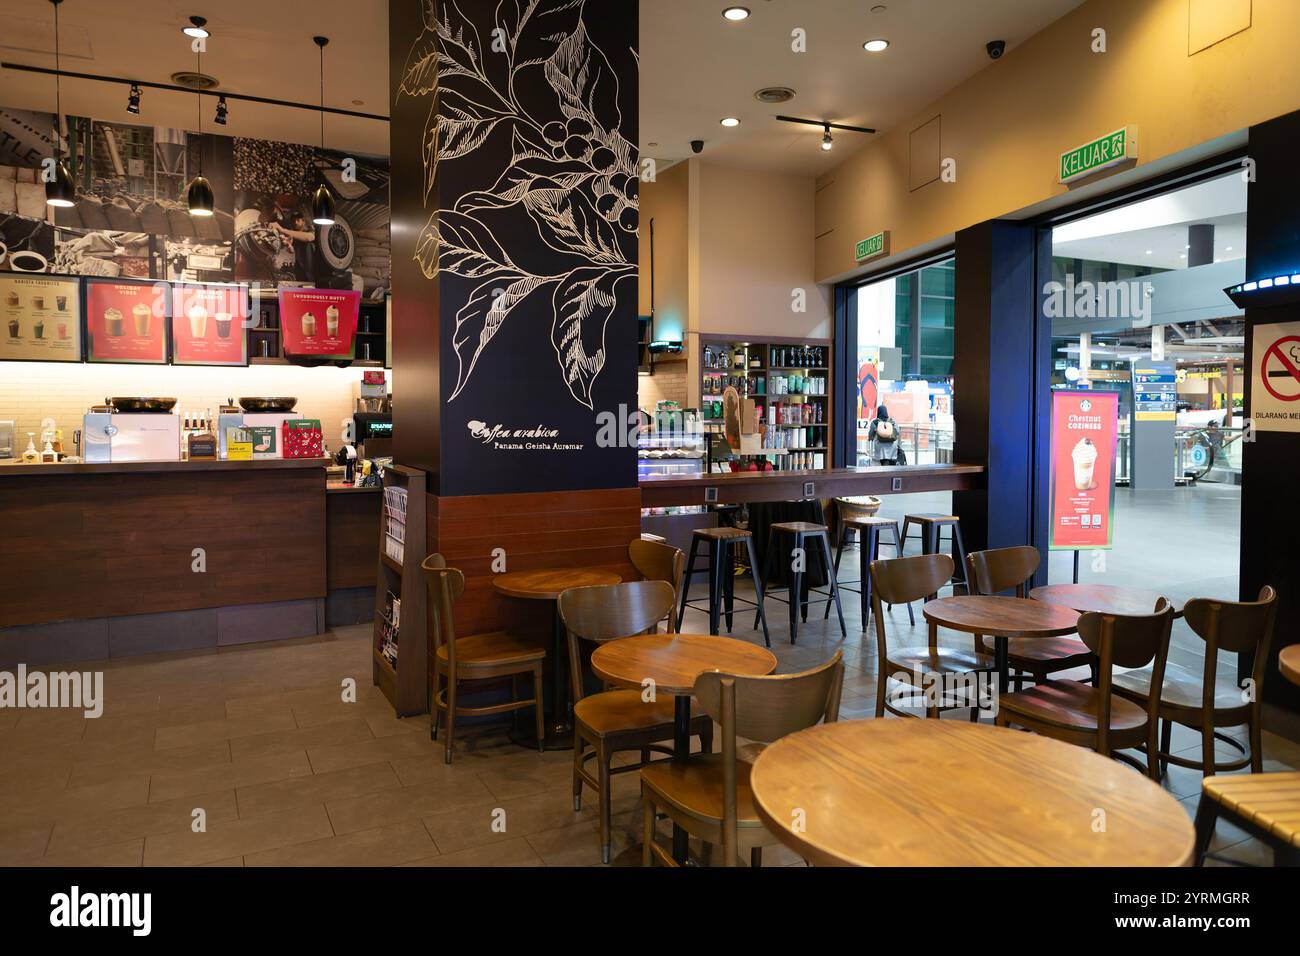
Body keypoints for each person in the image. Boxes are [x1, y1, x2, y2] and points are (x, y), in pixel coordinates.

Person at [270, 210, 316, 282]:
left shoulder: (310, 232)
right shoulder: (291, 237)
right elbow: (291, 252)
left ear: (303, 221)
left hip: (313, 276)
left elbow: (309, 238)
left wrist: (283, 230)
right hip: (299, 276)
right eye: (293, 220)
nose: (295, 222)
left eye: (298, 220)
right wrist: (289, 247)